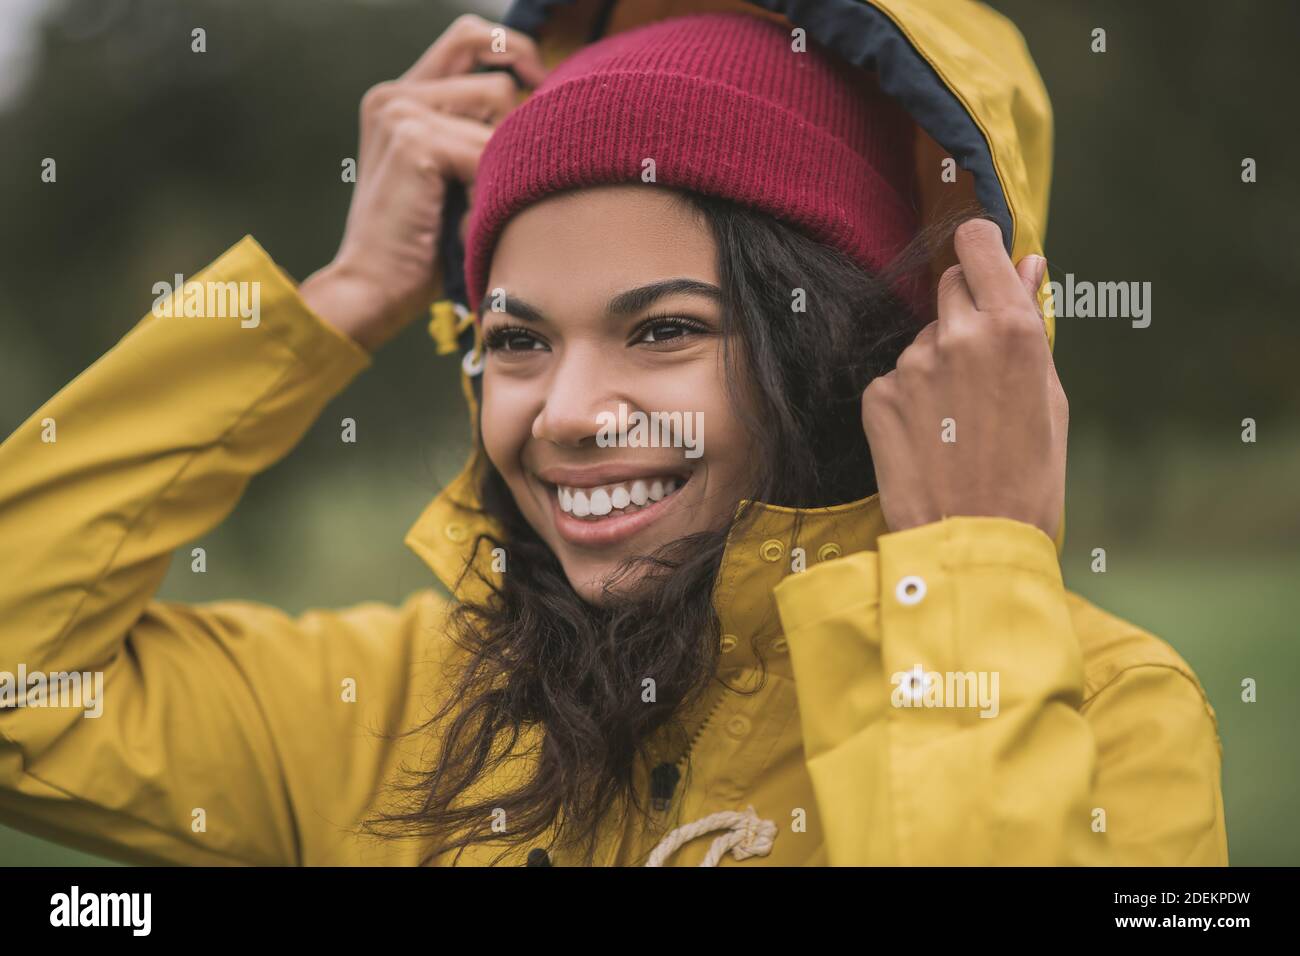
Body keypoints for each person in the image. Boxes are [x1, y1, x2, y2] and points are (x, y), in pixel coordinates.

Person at [0, 4, 1227, 866]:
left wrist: (961, 586)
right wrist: (342, 297)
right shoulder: (395, 711)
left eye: (665, 330)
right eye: (517, 339)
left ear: (854, 352)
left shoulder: (1109, 713)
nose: (570, 412)